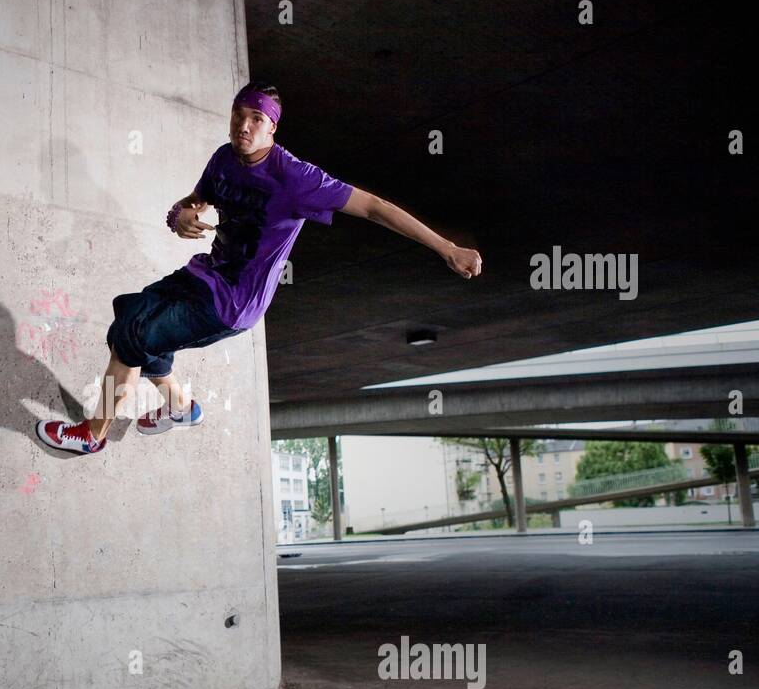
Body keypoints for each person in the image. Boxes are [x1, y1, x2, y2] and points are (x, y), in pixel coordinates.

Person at [36, 81, 482, 455]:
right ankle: (181, 407)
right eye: (238, 115)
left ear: (272, 127)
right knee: (126, 316)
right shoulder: (224, 158)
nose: (243, 127)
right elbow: (195, 202)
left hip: (234, 302)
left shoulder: (298, 179)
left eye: (256, 119)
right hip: (205, 273)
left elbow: (375, 208)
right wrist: (182, 214)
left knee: (132, 337)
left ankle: (92, 436)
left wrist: (446, 248)